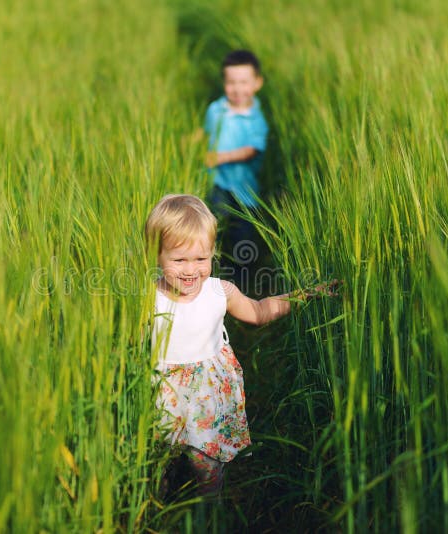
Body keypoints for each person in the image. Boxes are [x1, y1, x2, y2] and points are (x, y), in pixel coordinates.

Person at [145, 194, 340, 497]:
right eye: (179, 259)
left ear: (213, 253)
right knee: (159, 459)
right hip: (162, 391)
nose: (190, 270)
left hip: (204, 393)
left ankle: (210, 512)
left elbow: (259, 311)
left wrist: (305, 295)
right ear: (156, 255)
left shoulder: (219, 292)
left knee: (204, 461)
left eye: (201, 259)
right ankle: (159, 508)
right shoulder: (146, 300)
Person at [202, 50, 269, 280]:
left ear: (257, 83)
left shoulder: (256, 119)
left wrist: (221, 157)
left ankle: (243, 281)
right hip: (218, 181)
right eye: (231, 82)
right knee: (215, 226)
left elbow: (252, 150)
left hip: (245, 188)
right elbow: (206, 132)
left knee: (243, 232)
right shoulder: (216, 109)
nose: (237, 89)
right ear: (224, 82)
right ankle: (212, 271)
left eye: (243, 82)